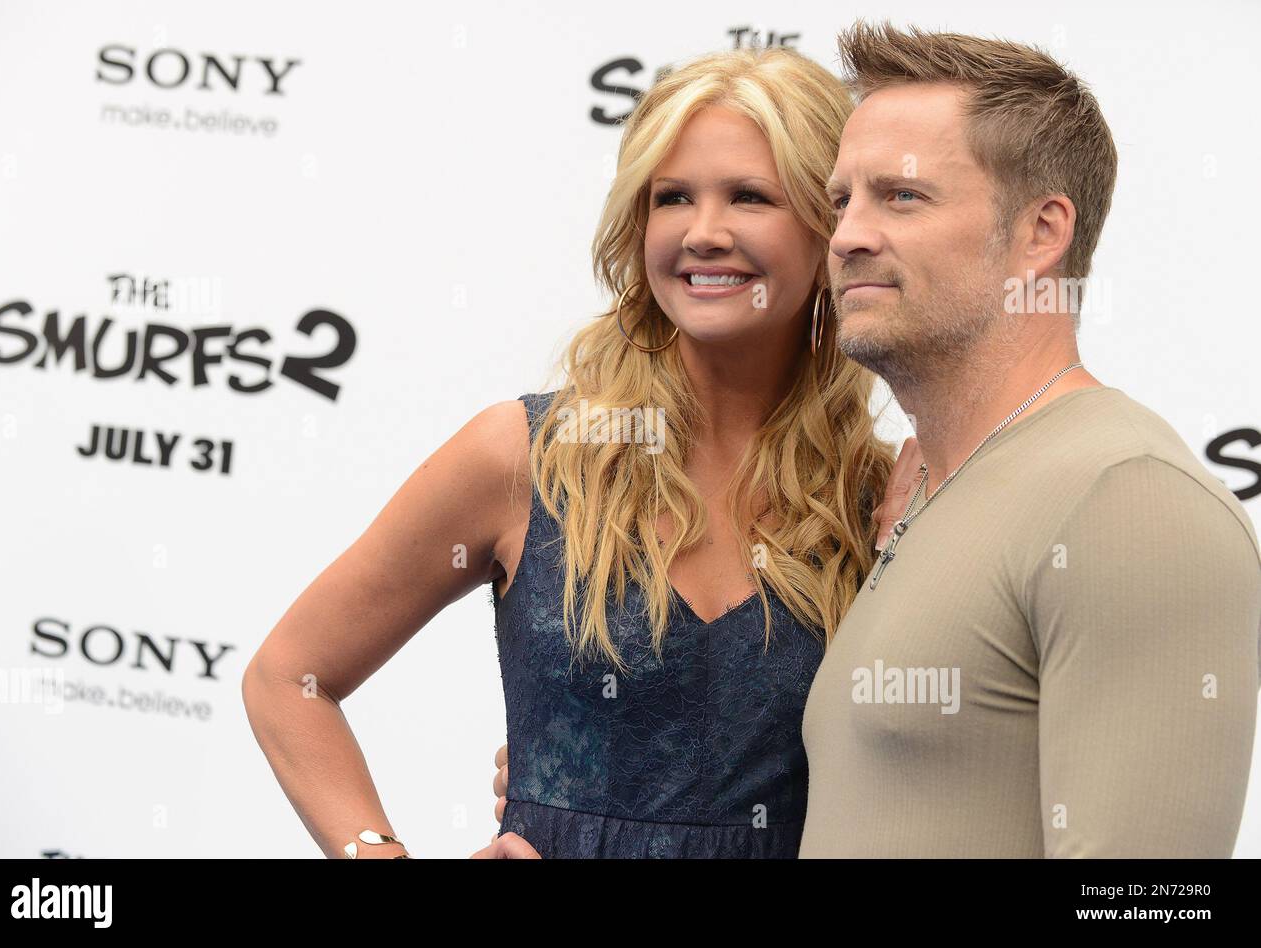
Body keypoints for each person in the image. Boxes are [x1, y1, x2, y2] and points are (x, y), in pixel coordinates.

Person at [242, 45, 914, 859]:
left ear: (827, 228)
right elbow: (289, 678)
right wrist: (377, 853)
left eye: (749, 196)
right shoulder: (527, 455)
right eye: (672, 198)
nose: (704, 232)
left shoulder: (878, 495)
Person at [793, 21, 1261, 857]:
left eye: (901, 196)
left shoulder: (1128, 497)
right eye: (842, 200)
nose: (847, 236)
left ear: (1042, 233)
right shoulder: (925, 493)